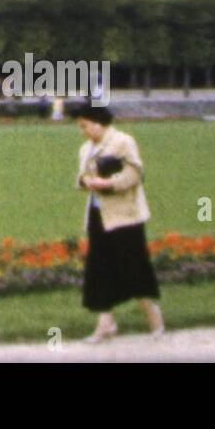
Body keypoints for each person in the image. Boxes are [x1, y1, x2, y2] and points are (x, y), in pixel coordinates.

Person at [71, 103, 164, 343]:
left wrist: (109, 184)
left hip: (125, 216)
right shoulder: (85, 149)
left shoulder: (123, 142)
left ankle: (153, 315)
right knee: (99, 268)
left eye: (84, 125)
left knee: (133, 266)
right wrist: (86, 182)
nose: (82, 131)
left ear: (97, 122)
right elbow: (82, 176)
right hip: (97, 214)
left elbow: (135, 173)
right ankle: (106, 324)